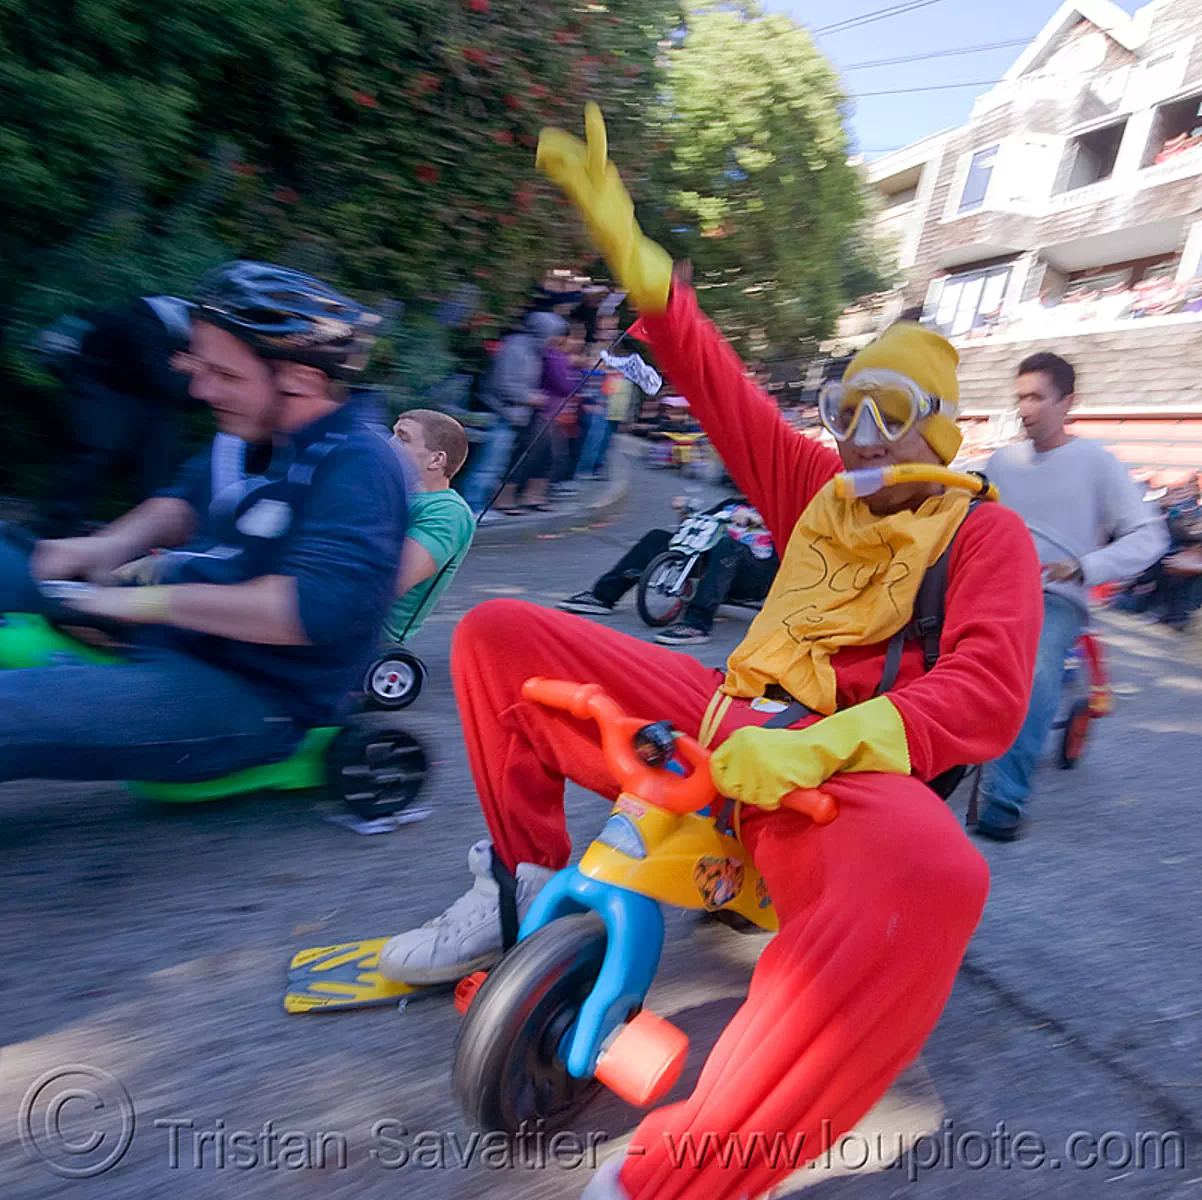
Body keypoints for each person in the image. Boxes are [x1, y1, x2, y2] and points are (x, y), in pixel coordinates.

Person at [378, 105, 1043, 1200]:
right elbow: (718, 386)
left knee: (935, 875)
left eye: (887, 409)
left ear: (938, 424)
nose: (859, 431)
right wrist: (636, 261)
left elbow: (986, 695)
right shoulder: (815, 491)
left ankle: (669, 1178)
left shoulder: (984, 532)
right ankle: (518, 889)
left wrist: (826, 748)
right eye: (845, 405)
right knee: (500, 636)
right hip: (717, 716)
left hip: (833, 777)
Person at [0, 261, 408, 784]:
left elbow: (306, 610)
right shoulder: (247, 432)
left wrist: (132, 601)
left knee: (12, 710)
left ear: (302, 379)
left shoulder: (359, 462)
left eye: (226, 375)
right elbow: (183, 504)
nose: (199, 391)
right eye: (202, 367)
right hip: (172, 636)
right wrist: (94, 551)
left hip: (250, 693)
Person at [977, 352, 1168, 842]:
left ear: (1068, 403)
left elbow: (1150, 537)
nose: (1025, 408)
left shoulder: (1096, 462)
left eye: (1037, 397)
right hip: (990, 584)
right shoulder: (1000, 462)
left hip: (1054, 594)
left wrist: (1085, 566)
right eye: (1020, 397)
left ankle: (1004, 799)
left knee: (1036, 662)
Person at [41, 295, 195, 538]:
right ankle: (53, 529)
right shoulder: (145, 324)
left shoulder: (172, 329)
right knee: (96, 450)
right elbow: (165, 382)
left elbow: (176, 392)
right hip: (101, 384)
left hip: (143, 397)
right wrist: (198, 378)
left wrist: (197, 377)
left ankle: (157, 538)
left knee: (159, 464)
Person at [559, 496, 778, 645]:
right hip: (711, 568)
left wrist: (762, 519)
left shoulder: (785, 508)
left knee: (727, 545)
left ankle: (696, 625)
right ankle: (602, 597)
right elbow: (698, 527)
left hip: (756, 575)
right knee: (657, 537)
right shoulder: (733, 503)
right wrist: (687, 510)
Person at [383, 409, 475, 643]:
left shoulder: (448, 511)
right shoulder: (385, 490)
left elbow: (390, 581)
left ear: (436, 460)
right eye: (393, 435)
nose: (389, 444)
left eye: (402, 438)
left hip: (363, 636)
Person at [461, 311, 563, 516]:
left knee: (495, 465)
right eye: (554, 333)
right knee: (486, 465)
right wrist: (530, 397)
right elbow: (502, 384)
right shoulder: (515, 348)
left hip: (513, 415)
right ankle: (471, 508)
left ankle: (479, 506)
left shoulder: (534, 350)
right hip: (499, 413)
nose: (556, 339)